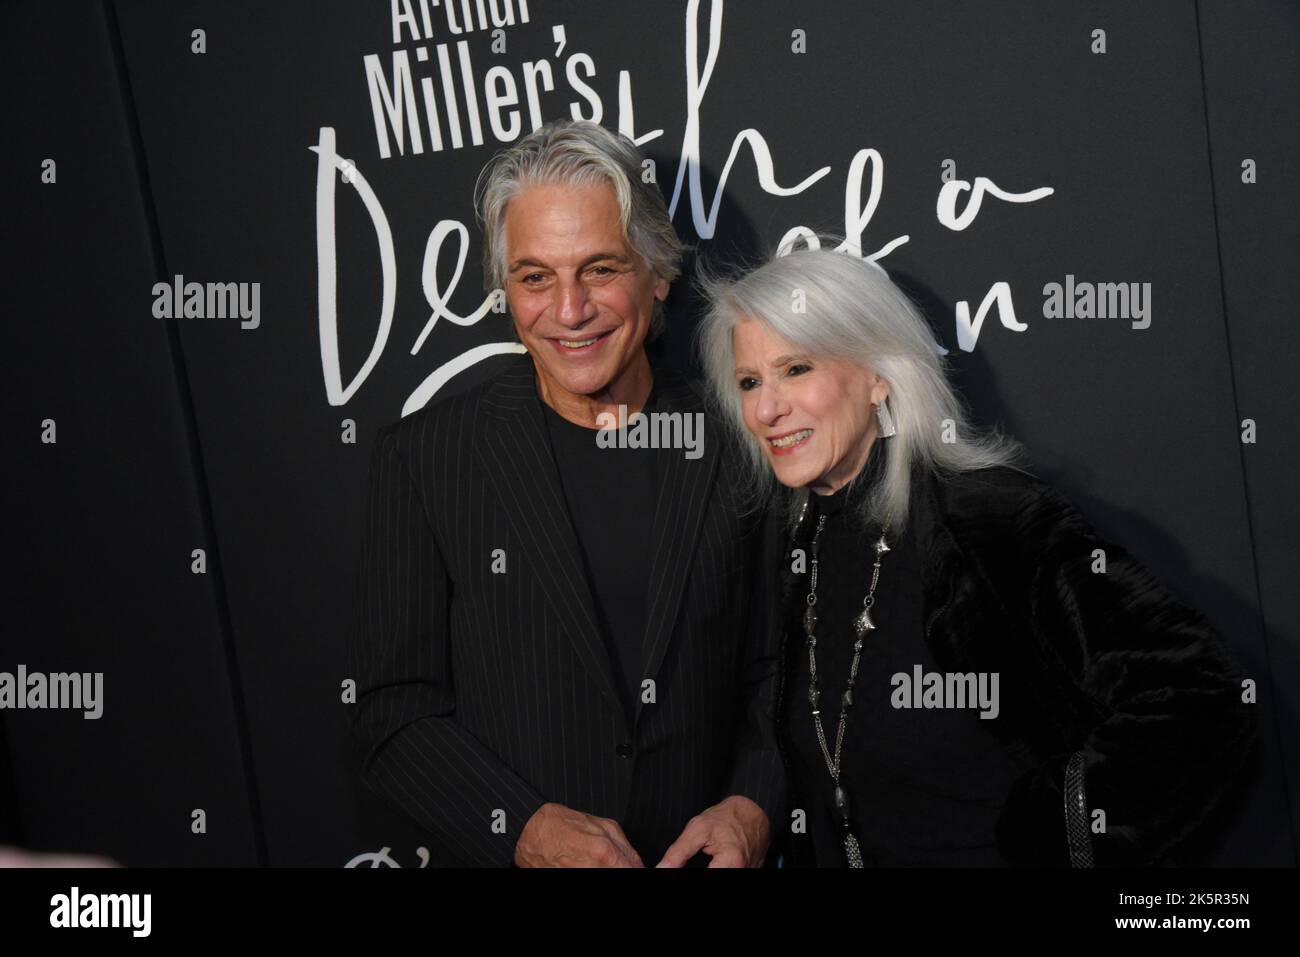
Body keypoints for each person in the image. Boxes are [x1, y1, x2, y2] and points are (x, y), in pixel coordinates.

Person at [695, 244, 1258, 867]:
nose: (766, 409)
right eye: (750, 382)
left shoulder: (985, 519)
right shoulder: (793, 548)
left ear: (878, 374)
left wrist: (1053, 827)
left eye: (796, 369)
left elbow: (1201, 696)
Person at [347, 119, 782, 867]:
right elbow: (392, 711)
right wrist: (522, 828)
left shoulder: (740, 439)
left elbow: (779, 671)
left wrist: (751, 806)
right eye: (535, 277)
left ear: (658, 274)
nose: (570, 310)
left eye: (600, 269)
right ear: (505, 288)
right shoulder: (426, 460)